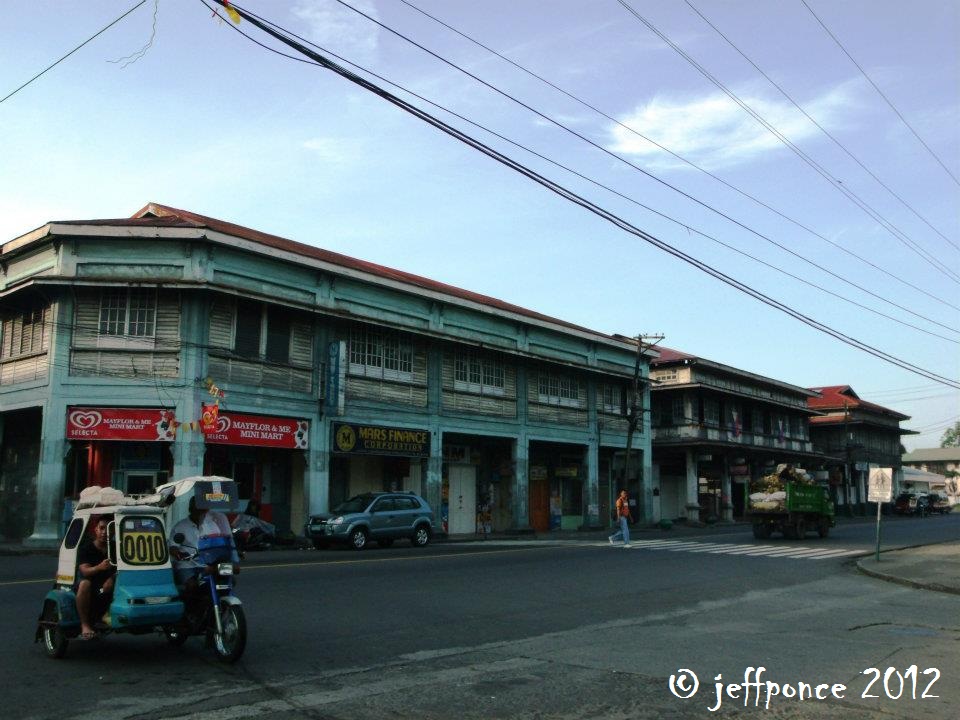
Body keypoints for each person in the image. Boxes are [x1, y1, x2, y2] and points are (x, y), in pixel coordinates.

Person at [169, 496, 239, 591]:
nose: (201, 513)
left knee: (233, 573)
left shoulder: (211, 525)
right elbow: (173, 546)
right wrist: (178, 553)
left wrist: (228, 551)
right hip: (188, 565)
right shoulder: (180, 526)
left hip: (208, 565)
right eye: (198, 510)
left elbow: (220, 542)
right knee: (192, 586)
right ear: (191, 509)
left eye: (203, 510)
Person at [76, 516, 116, 639]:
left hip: (107, 586)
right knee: (85, 584)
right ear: (96, 530)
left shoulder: (116, 547)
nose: (105, 532)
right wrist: (99, 567)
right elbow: (85, 571)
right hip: (92, 585)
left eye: (109, 528)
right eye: (102, 528)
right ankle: (85, 624)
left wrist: (112, 578)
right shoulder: (86, 548)